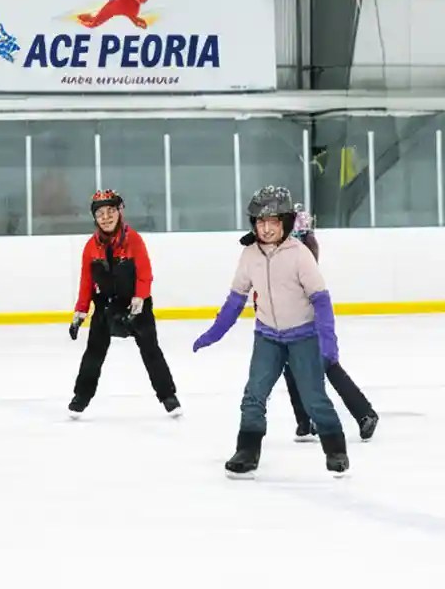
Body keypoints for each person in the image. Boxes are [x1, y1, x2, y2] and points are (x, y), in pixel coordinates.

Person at [193, 185, 349, 479]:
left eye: (273, 222)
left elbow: (321, 300)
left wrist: (329, 342)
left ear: (286, 223)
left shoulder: (299, 254)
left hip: (303, 335)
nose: (266, 228)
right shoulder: (249, 255)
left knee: (314, 398)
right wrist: (215, 332)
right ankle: (247, 451)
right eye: (261, 222)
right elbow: (236, 298)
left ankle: (335, 449)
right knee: (254, 394)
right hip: (267, 337)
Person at [242, 205, 379, 442]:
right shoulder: (275, 252)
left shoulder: (300, 253)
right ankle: (305, 422)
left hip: (305, 323)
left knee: (324, 365)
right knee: (290, 368)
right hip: (279, 325)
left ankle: (363, 413)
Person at [67, 188, 180, 418]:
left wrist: (140, 298)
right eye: (100, 214)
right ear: (95, 218)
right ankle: (81, 397)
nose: (106, 218)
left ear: (120, 212)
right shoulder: (90, 247)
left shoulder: (134, 240)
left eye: (110, 211)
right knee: (94, 353)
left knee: (151, 350)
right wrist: (80, 311)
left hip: (136, 303)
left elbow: (145, 273)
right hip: (105, 305)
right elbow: (86, 282)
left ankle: (168, 395)